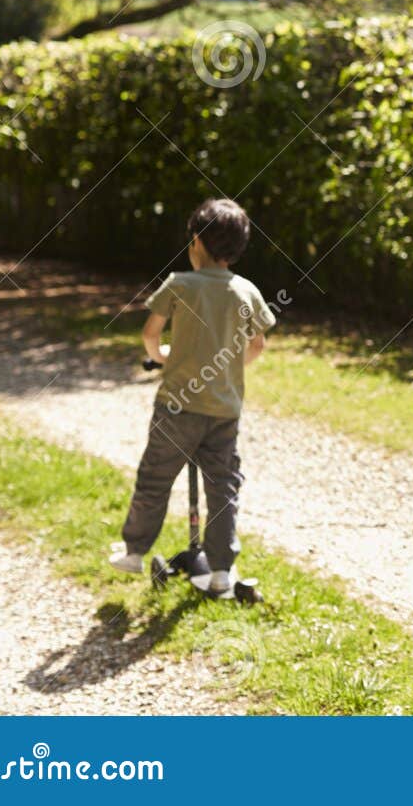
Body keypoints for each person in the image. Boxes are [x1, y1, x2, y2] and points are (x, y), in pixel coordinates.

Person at [108, 198, 275, 598]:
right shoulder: (246, 290)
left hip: (177, 406)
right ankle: (221, 571)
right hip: (223, 410)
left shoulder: (179, 284)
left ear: (196, 242)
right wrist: (228, 368)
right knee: (223, 489)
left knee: (155, 478)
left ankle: (134, 551)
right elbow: (257, 345)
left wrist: (161, 356)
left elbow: (151, 334)